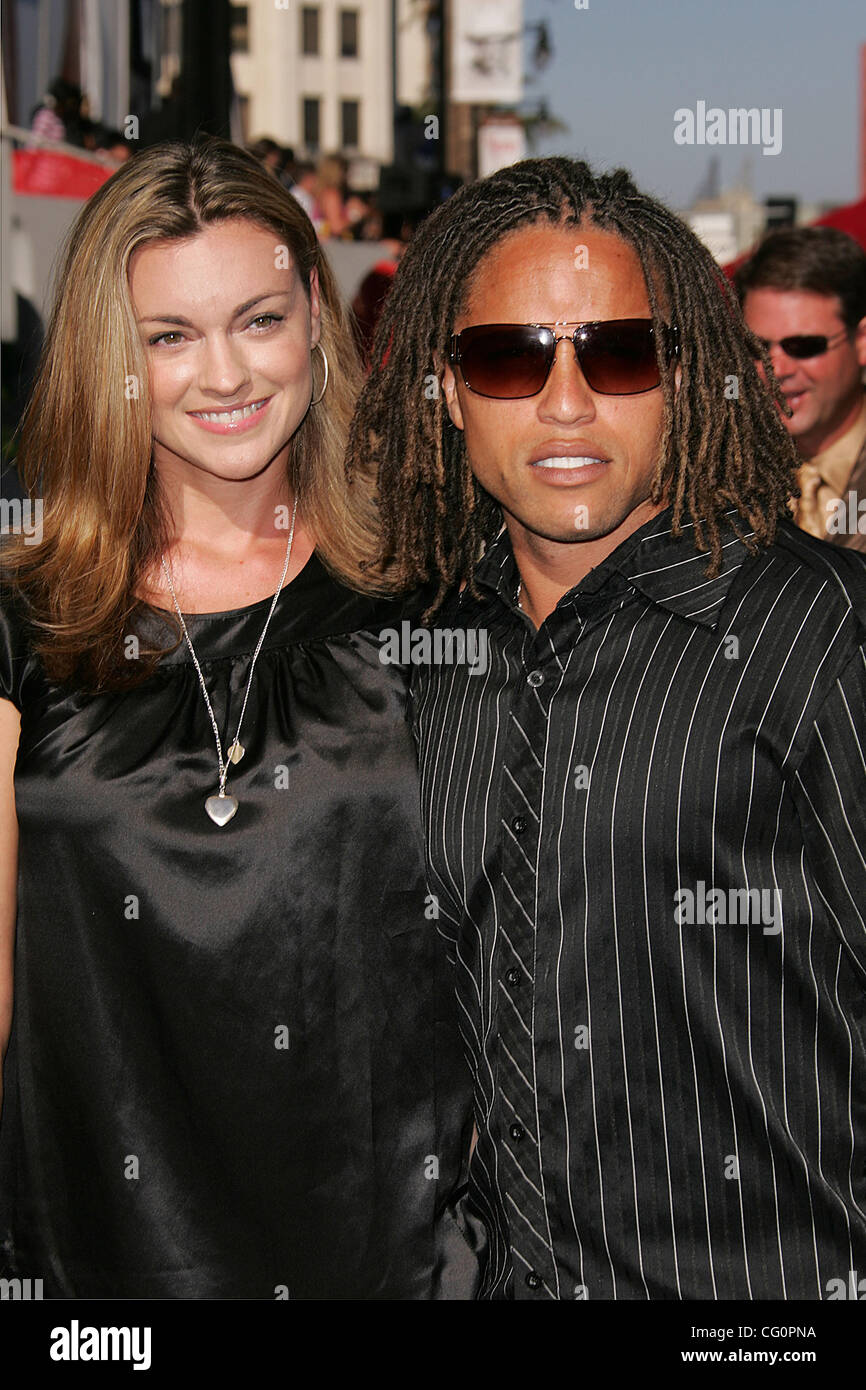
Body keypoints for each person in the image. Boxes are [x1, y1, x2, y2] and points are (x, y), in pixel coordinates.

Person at [348, 157, 866, 1299]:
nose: (566, 400)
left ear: (680, 379)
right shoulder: (407, 657)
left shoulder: (815, 628)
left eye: (616, 351)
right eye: (509, 357)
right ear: (446, 388)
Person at [0, 136, 474, 1299]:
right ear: (113, 357)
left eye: (257, 319)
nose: (224, 375)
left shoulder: (447, 587)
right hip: (96, 1282)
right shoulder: (25, 619)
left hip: (402, 1264)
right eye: (168, 336)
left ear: (315, 311)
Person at [736, 227, 866, 553]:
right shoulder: (720, 479)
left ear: (862, 342)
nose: (777, 369)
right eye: (758, 348)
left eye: (803, 346)